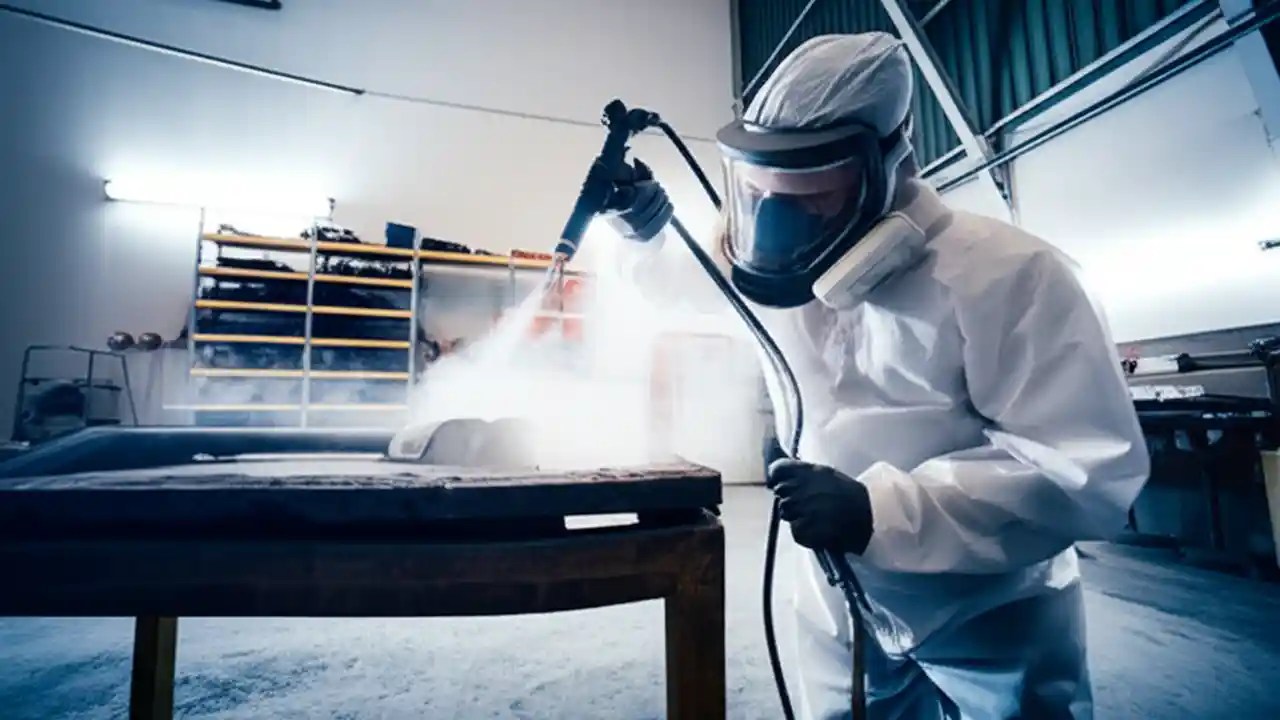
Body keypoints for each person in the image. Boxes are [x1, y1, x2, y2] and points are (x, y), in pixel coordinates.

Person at [608, 32, 1149, 720]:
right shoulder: (786, 269)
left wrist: (879, 511)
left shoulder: (1012, 276)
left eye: (813, 191)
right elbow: (689, 287)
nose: (776, 217)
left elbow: (1084, 473)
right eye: (760, 188)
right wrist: (645, 228)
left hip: (987, 607)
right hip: (839, 593)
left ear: (887, 163)